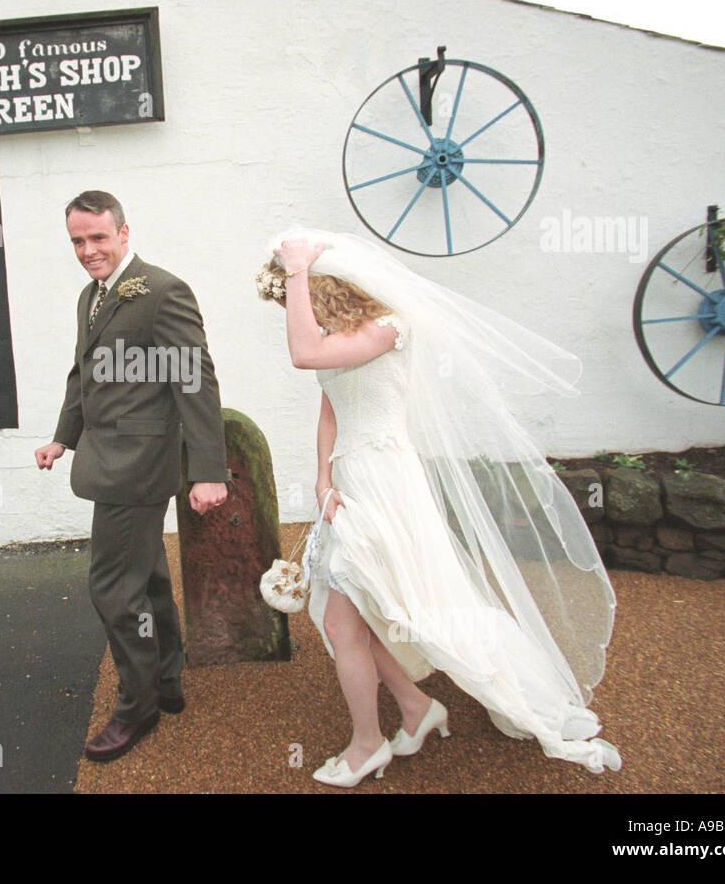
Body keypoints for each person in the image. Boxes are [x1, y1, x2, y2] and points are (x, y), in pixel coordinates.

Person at [257, 227, 621, 786]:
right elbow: (330, 410)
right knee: (355, 613)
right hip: (349, 484)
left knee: (354, 616)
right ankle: (413, 709)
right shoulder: (338, 337)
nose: (294, 307)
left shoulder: (390, 328)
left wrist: (297, 267)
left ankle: (367, 744)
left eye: (297, 297)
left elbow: (304, 354)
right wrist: (323, 478)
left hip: (384, 481)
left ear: (327, 287)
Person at [35, 190, 229, 762]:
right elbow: (84, 373)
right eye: (77, 240)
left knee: (114, 591)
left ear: (124, 232)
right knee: (145, 579)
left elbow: (195, 379)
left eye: (97, 237)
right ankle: (166, 682)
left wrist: (208, 471)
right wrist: (62, 437)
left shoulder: (161, 291)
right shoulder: (91, 297)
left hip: (136, 469)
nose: (88, 250)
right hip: (109, 460)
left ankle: (136, 705)